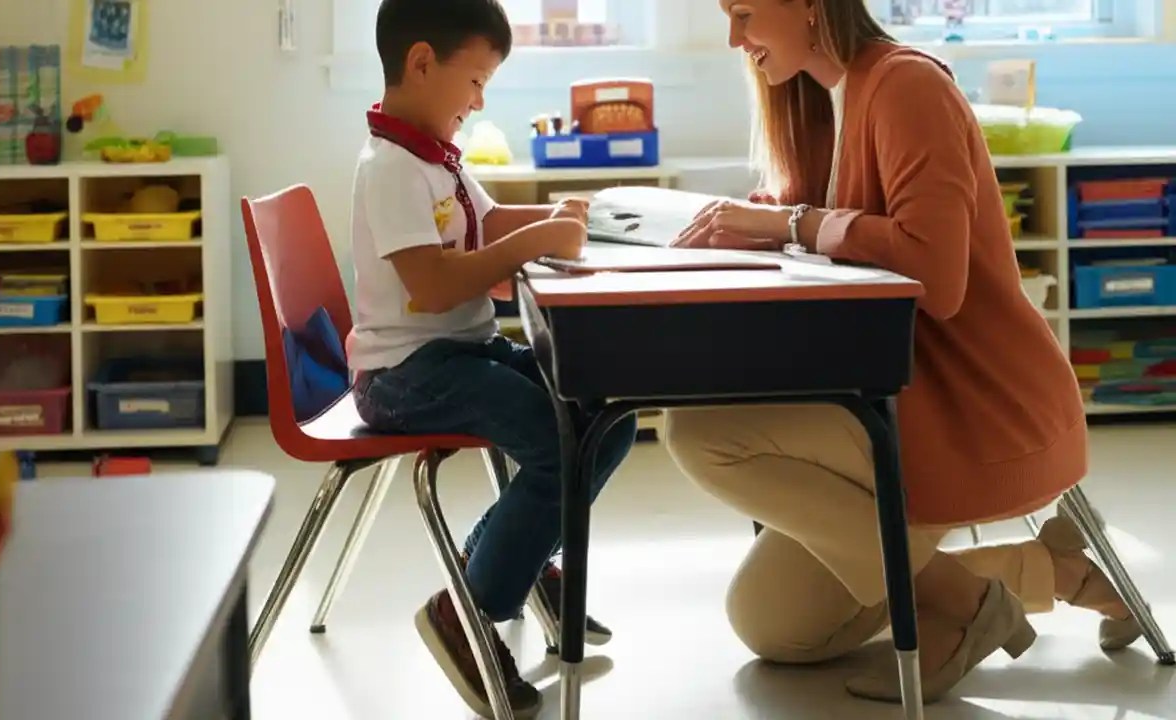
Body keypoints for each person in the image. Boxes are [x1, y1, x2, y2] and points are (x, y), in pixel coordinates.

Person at [662, 0, 1142, 704]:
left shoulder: (907, 86)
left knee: (701, 431)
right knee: (775, 629)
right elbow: (819, 213)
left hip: (971, 406)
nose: (735, 39)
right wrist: (759, 225)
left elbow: (937, 275)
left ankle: (970, 609)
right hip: (888, 391)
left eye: (743, 13)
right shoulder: (821, 99)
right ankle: (1045, 572)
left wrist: (788, 223)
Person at [347, 0, 637, 716]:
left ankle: (519, 559)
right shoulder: (390, 168)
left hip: (456, 354)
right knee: (553, 443)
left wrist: (562, 217)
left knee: (607, 414)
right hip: (404, 377)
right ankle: (469, 612)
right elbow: (435, 284)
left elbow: (490, 223)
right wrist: (530, 245)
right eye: (475, 80)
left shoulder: (433, 156)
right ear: (421, 63)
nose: (480, 101)